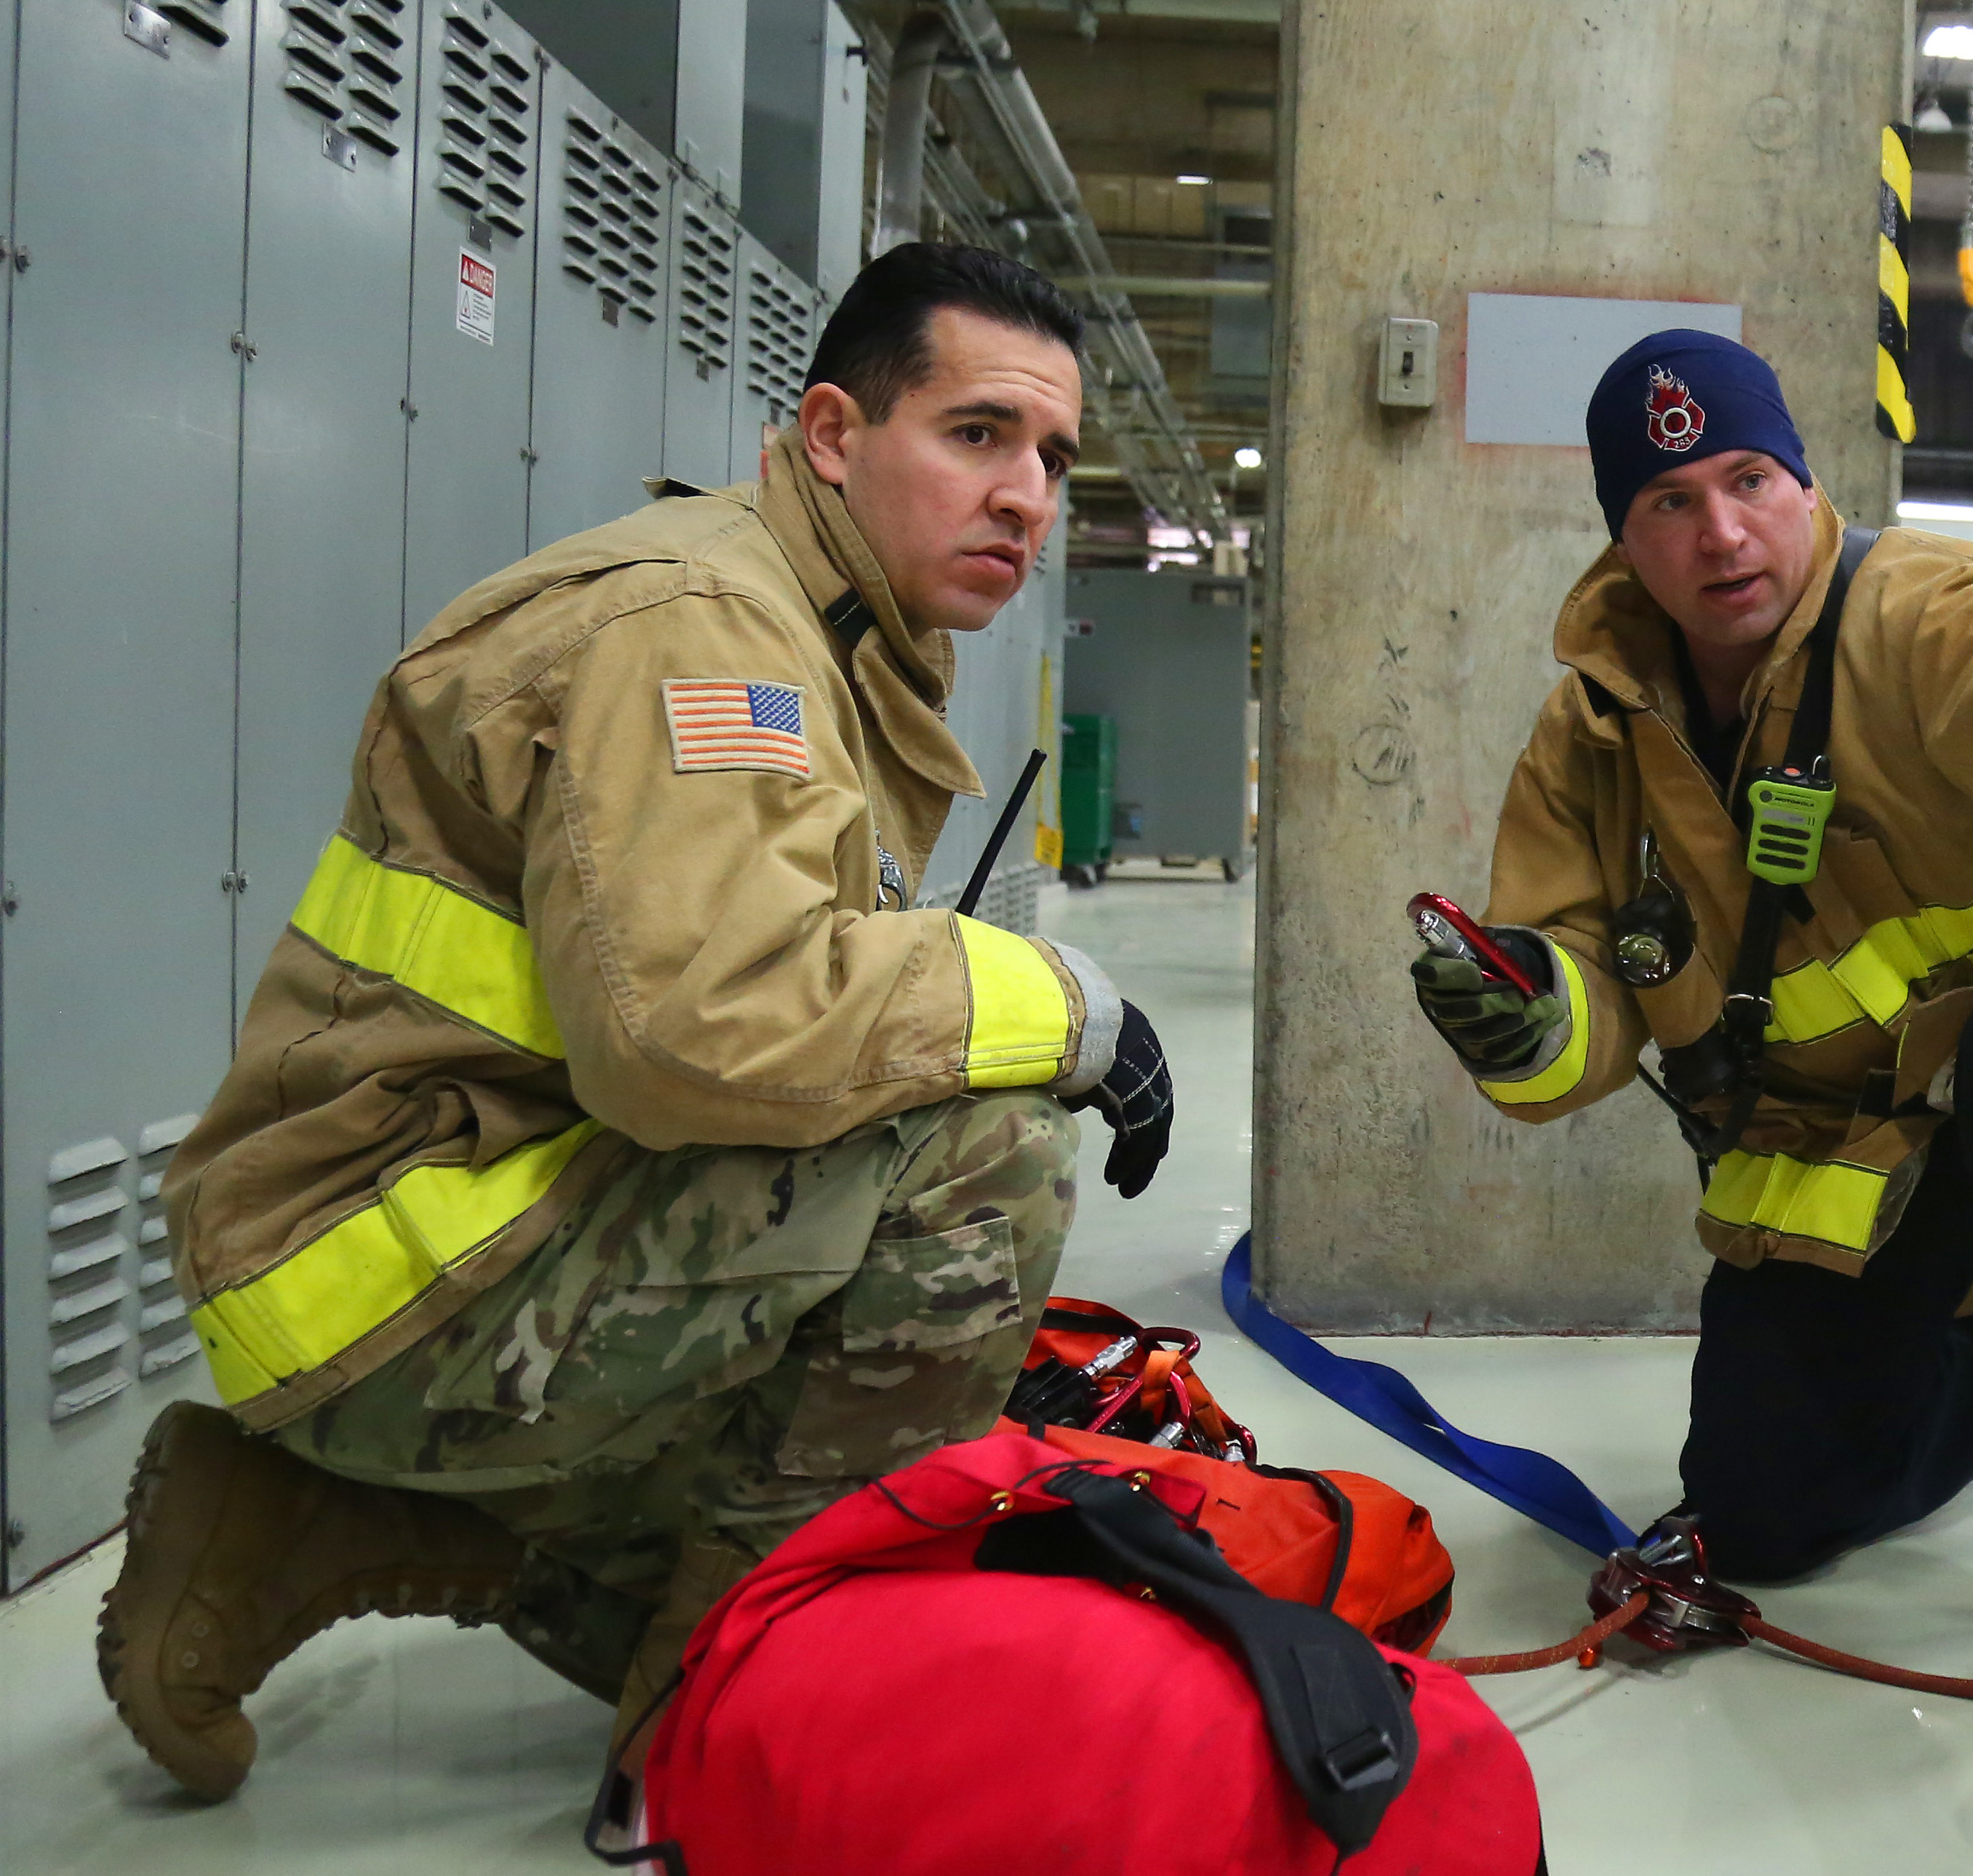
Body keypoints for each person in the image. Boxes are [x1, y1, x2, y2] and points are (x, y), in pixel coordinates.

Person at [100, 242, 1173, 1800]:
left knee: (858, 1470)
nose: (1026, 493)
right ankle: (725, 1732)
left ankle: (282, 1530)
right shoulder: (701, 628)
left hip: (463, 1224)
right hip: (386, 1271)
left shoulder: (822, 632)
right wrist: (1063, 1003)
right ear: (830, 435)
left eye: (1054, 458)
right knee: (980, 1153)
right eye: (978, 434)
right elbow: (698, 1036)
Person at [1408, 330, 1973, 1718]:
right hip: (1848, 1137)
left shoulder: (1924, 602)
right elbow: (1584, 985)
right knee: (1761, 1517)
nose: (1723, 531)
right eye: (1670, 503)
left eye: (1750, 478)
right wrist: (1521, 1016)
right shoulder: (1594, 735)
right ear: (1621, 539)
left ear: (1806, 486)